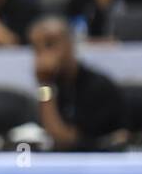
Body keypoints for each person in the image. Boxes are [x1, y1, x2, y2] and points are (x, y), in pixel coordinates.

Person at [28, 15, 125, 150]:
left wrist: (45, 83)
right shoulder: (56, 87)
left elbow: (65, 141)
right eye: (37, 48)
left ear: (70, 43)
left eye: (50, 44)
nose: (44, 55)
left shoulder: (97, 88)